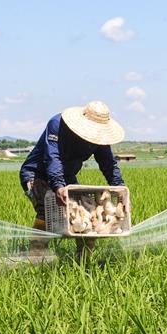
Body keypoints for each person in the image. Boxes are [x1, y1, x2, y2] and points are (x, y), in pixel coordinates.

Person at [20, 101, 127, 260]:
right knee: (46, 210)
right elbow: (52, 157)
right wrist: (58, 186)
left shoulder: (98, 137)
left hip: (67, 177)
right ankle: (35, 257)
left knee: (87, 215)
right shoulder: (57, 124)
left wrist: (120, 188)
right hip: (37, 174)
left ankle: (83, 262)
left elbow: (108, 163)